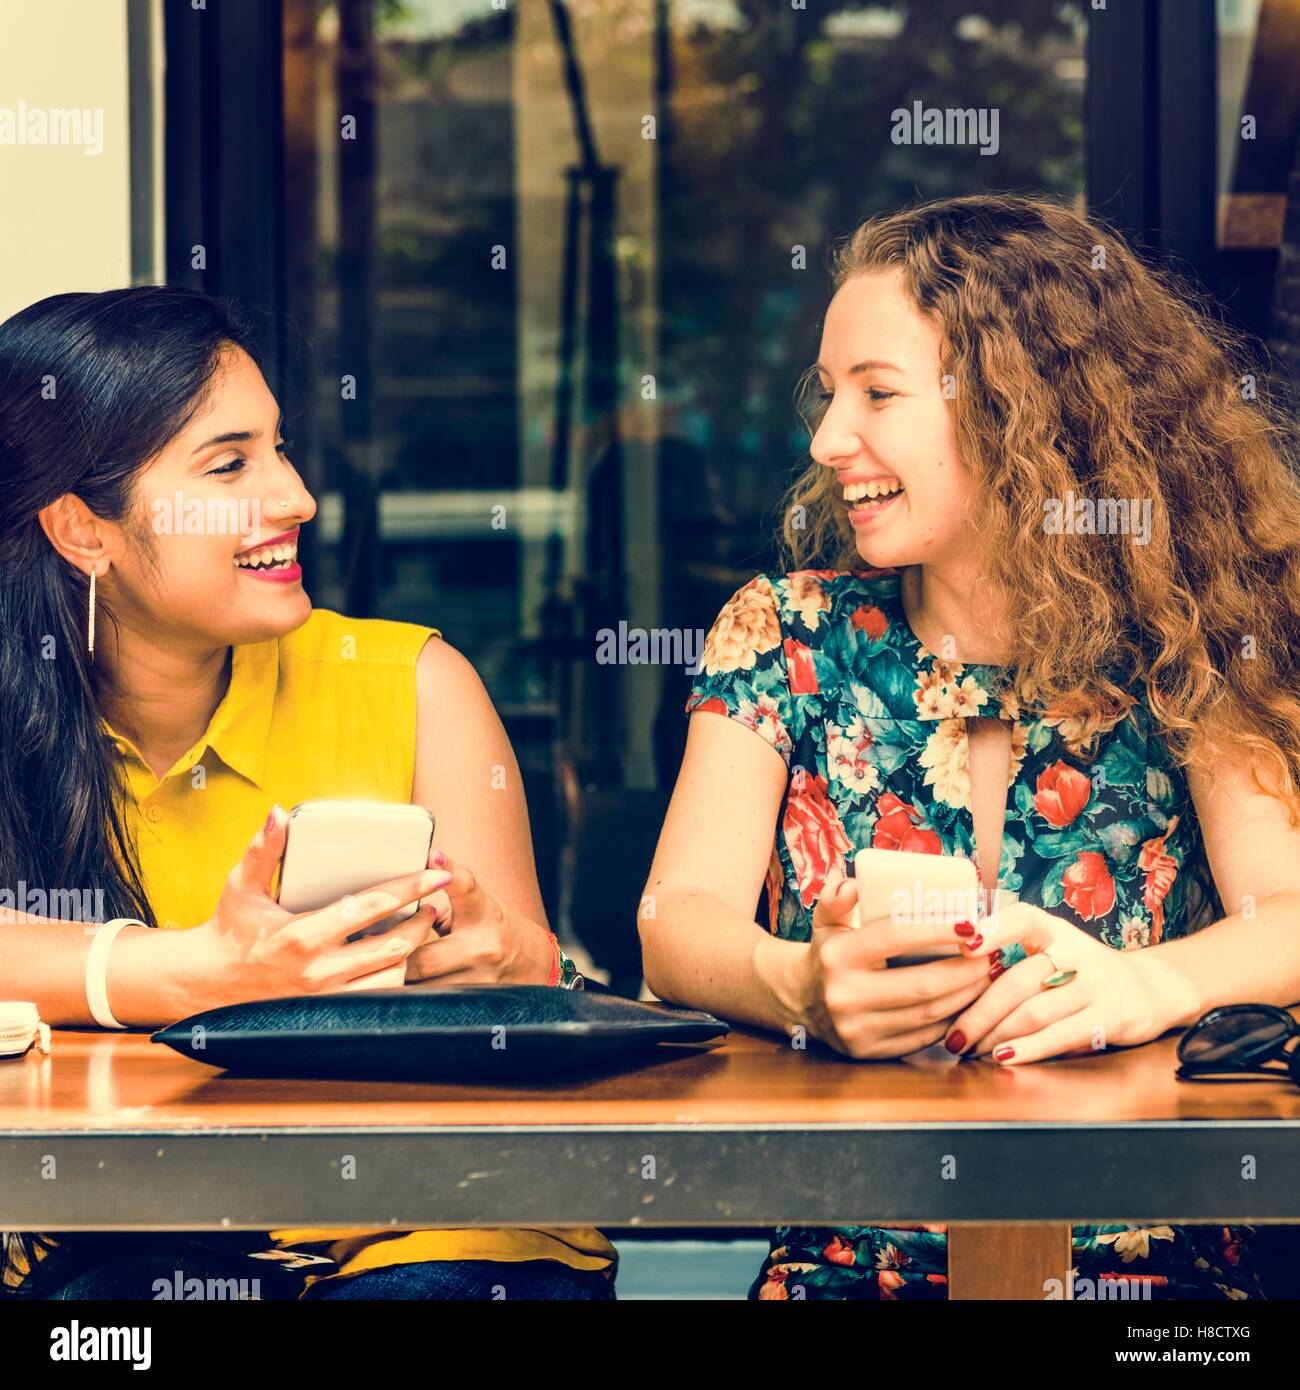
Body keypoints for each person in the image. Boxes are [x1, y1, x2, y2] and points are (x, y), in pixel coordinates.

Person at [640, 193, 1300, 1300]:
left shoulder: (1187, 630)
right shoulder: (785, 627)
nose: (825, 438)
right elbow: (673, 926)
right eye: (828, 393)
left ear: (1020, 408)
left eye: (877, 395)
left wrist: (1142, 986)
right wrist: (795, 982)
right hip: (847, 1265)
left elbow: (1285, 916)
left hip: (1152, 1276)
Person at [0, 285, 614, 1300]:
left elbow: (528, 984)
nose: (294, 496)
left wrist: (509, 964)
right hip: (145, 1241)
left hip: (436, 1234)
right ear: (81, 530)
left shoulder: (414, 685)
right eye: (229, 464)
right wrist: (196, 970)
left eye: (278, 449)